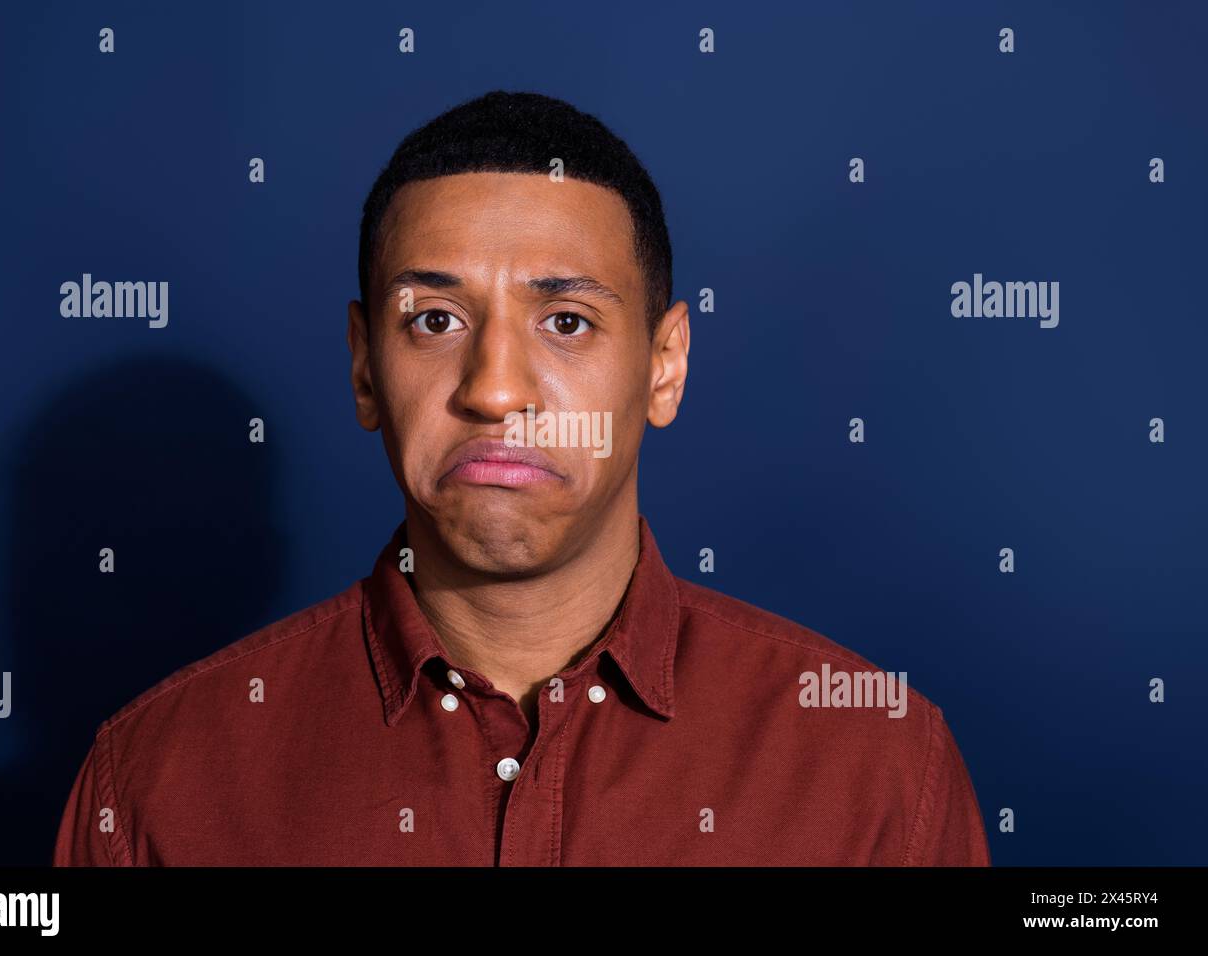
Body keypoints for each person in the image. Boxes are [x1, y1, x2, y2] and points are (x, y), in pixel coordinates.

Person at [53, 90, 990, 866]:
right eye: (433, 320)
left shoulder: (878, 765)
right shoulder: (156, 781)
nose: (495, 391)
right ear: (363, 367)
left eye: (568, 321)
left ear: (665, 366)